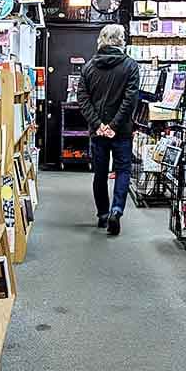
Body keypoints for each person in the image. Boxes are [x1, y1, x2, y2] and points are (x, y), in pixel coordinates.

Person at [77, 24, 139, 236]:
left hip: (98, 132)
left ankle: (103, 214)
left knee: (100, 173)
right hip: (120, 132)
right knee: (122, 170)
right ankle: (116, 210)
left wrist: (98, 125)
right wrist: (114, 126)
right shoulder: (131, 66)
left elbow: (82, 99)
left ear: (101, 40)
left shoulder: (88, 67)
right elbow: (130, 100)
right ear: (121, 40)